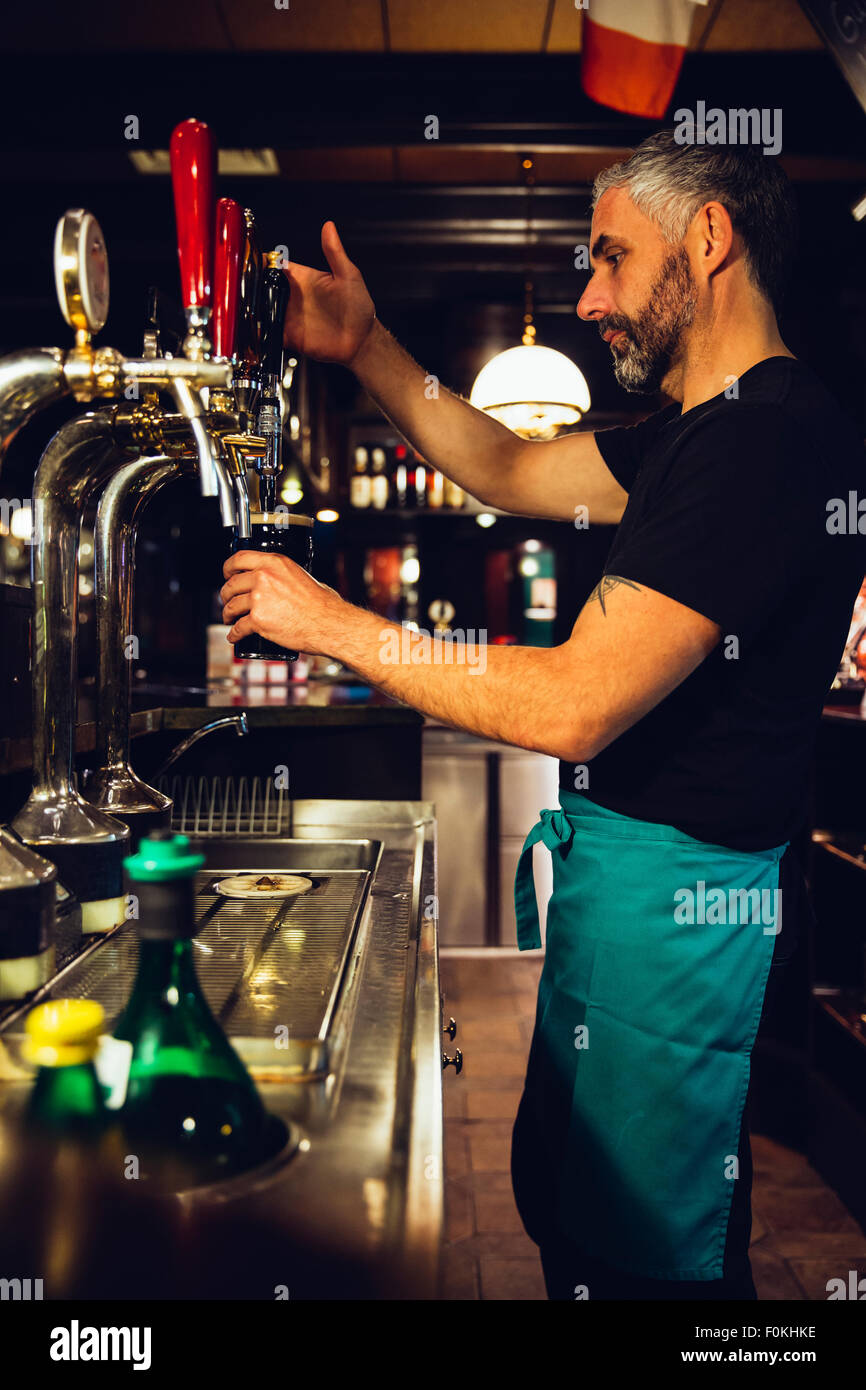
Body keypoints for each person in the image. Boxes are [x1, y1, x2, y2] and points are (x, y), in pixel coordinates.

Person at [220, 130, 866, 1299]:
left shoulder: (767, 440)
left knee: (651, 1258)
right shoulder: (703, 431)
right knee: (577, 1216)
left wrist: (338, 625)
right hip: (624, 896)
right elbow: (507, 471)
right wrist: (365, 345)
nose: (588, 296)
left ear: (707, 237)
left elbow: (575, 703)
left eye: (612, 258)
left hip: (678, 918)